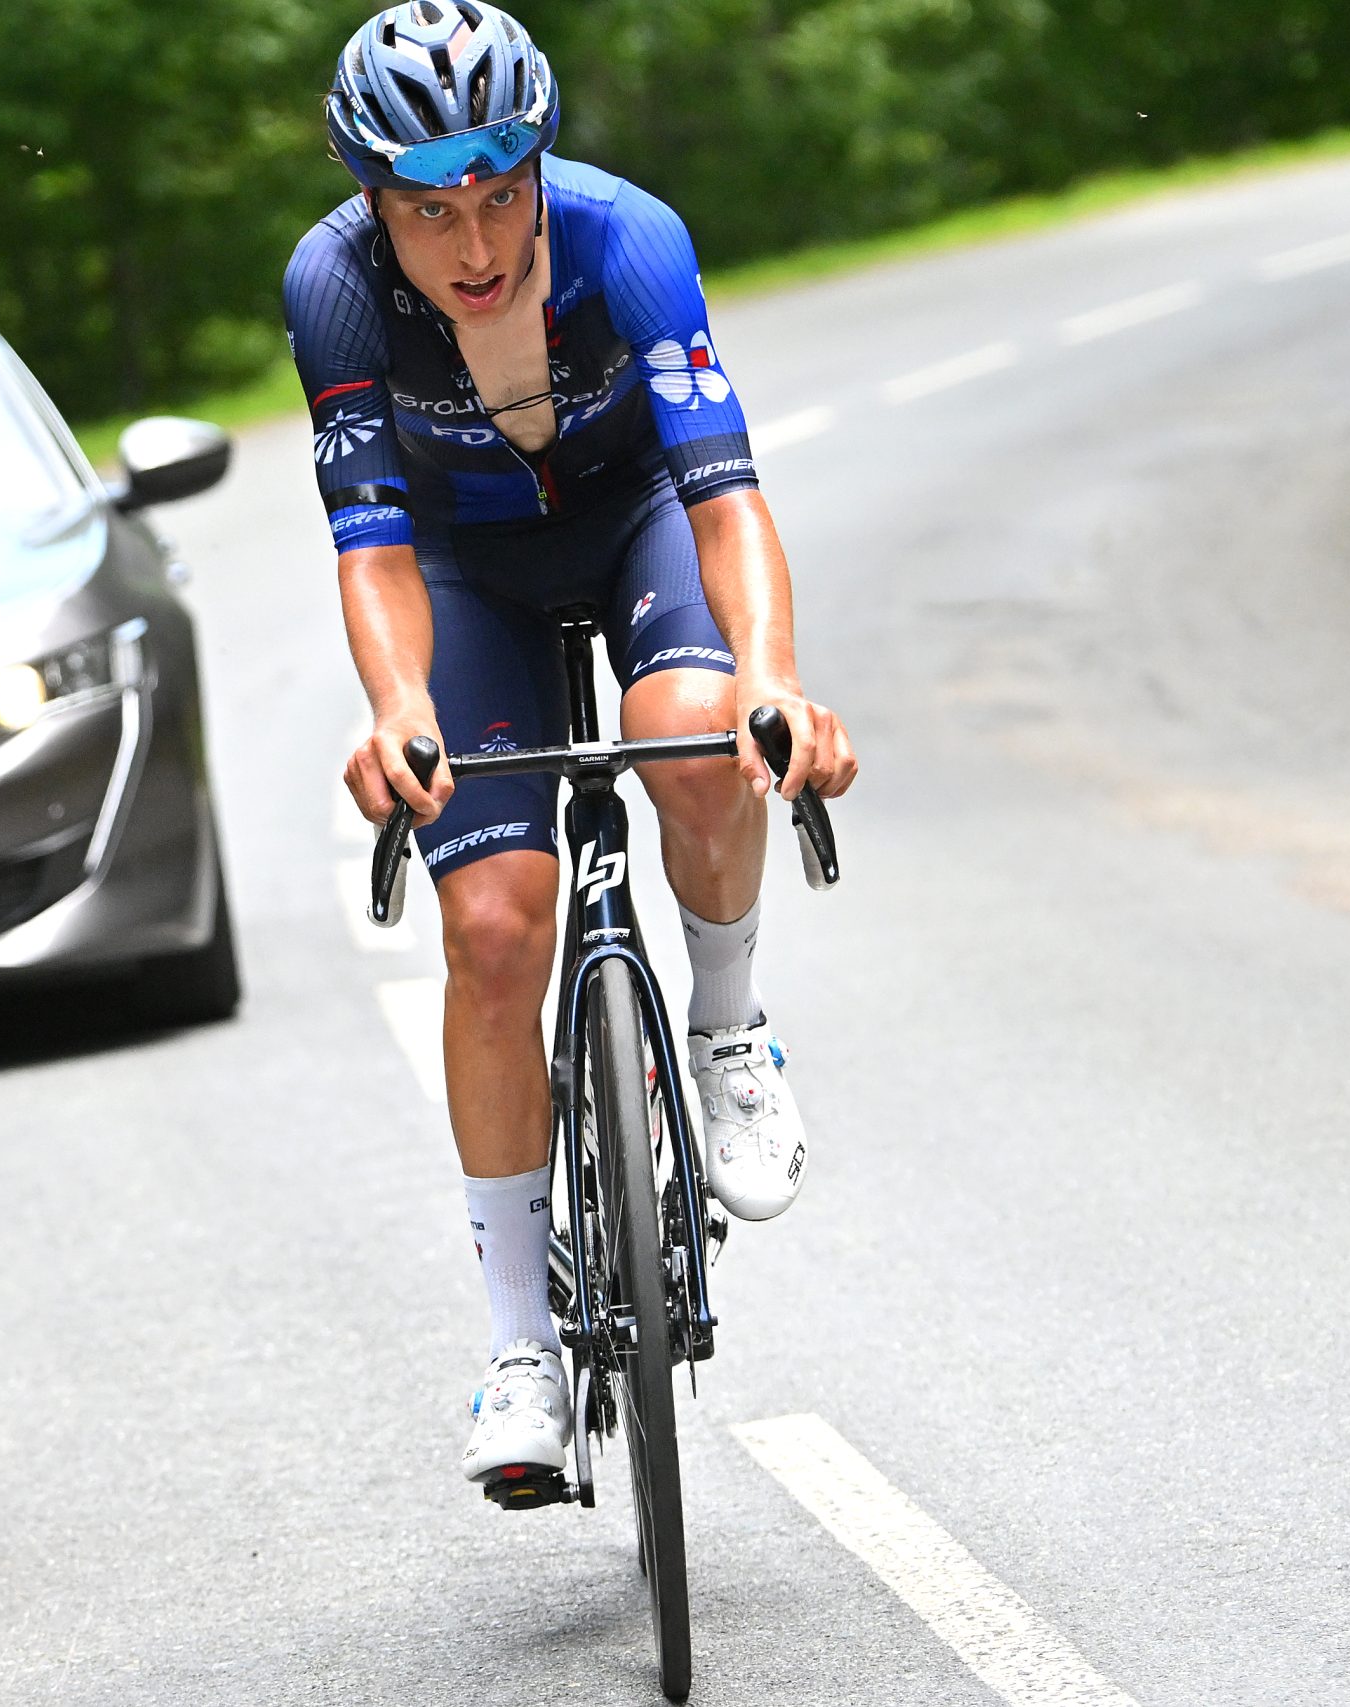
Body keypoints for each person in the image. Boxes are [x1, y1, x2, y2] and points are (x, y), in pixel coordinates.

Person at [283, 3, 857, 1489]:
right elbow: (370, 544)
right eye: (430, 211)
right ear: (374, 206)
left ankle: (727, 1030)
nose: (473, 244)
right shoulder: (334, 290)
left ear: (540, 170)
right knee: (490, 923)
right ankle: (517, 1350)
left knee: (690, 731)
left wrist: (774, 678)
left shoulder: (629, 239)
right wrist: (401, 707)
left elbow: (724, 493)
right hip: (466, 575)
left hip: (635, 523)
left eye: (499, 195)